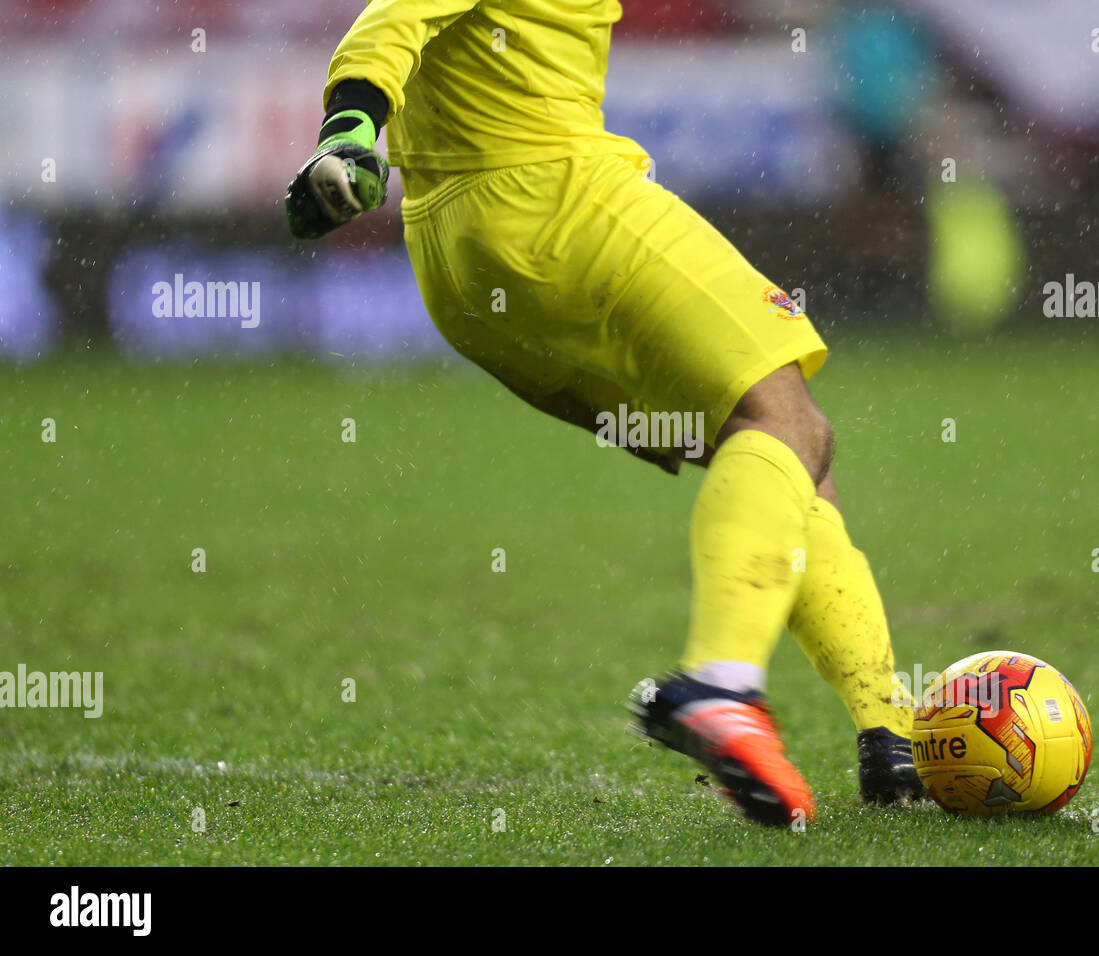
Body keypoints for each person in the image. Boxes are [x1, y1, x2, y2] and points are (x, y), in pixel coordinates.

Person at [285, 0, 921, 826]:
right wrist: (349, 132)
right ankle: (721, 688)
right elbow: (388, 22)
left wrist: (354, 136)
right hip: (552, 200)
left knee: (785, 461)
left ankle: (890, 736)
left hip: (461, 266)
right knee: (785, 424)